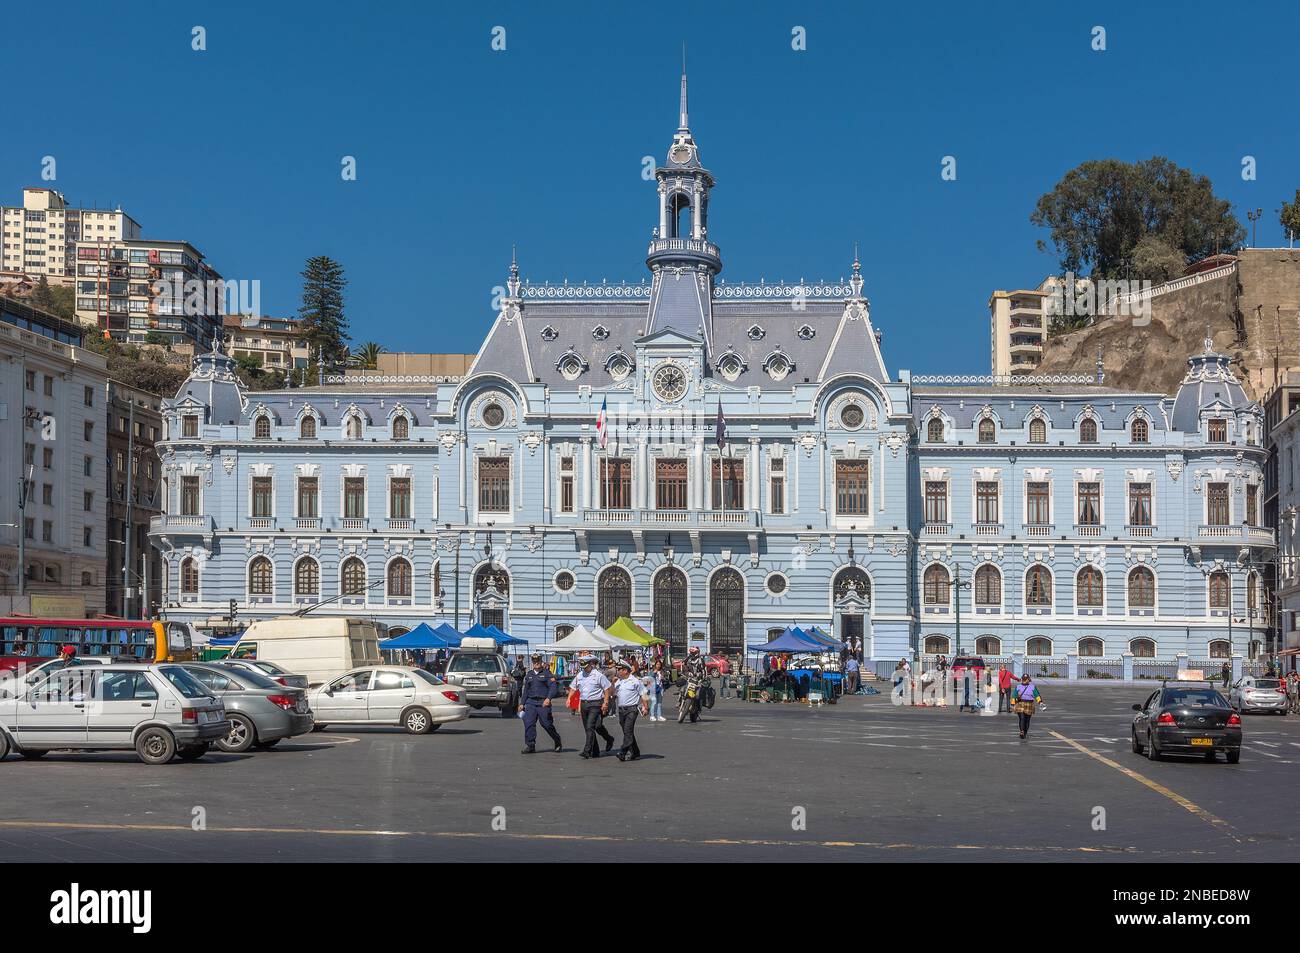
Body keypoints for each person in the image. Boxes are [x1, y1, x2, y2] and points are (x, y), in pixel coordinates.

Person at [518, 654, 563, 754]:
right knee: (529, 724)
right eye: (534, 661)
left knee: (546, 724)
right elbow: (525, 691)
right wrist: (522, 703)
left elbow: (553, 687)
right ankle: (530, 745)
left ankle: (557, 740)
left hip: (543, 703)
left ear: (541, 661)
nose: (536, 663)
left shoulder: (547, 673)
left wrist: (548, 698)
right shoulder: (529, 674)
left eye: (538, 661)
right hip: (531, 703)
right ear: (532, 662)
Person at [572, 655, 614, 759]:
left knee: (591, 726)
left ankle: (587, 750)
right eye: (583, 667)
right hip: (584, 704)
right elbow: (573, 687)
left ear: (591, 664)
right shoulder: (580, 675)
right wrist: (570, 700)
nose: (584, 669)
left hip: (596, 703)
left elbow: (607, 688)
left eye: (586, 666)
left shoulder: (598, 675)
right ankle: (597, 750)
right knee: (593, 727)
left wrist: (606, 703)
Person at [611, 659, 648, 761]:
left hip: (632, 709)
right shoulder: (619, 681)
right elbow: (613, 694)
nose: (618, 672)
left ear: (625, 671)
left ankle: (622, 752)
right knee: (627, 732)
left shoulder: (635, 681)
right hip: (621, 710)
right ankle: (635, 752)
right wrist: (613, 684)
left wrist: (645, 707)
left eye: (619, 670)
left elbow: (643, 694)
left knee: (628, 731)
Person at [1012, 674, 1043, 739]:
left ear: (1028, 679)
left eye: (1025, 679)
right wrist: (1013, 703)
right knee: (1022, 718)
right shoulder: (1018, 686)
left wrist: (1040, 702)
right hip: (1020, 703)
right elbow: (1014, 695)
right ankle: (1022, 731)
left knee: (1027, 720)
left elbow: (1037, 695)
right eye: (1023, 679)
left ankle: (1025, 732)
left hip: (1029, 704)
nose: (1024, 680)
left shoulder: (1033, 687)